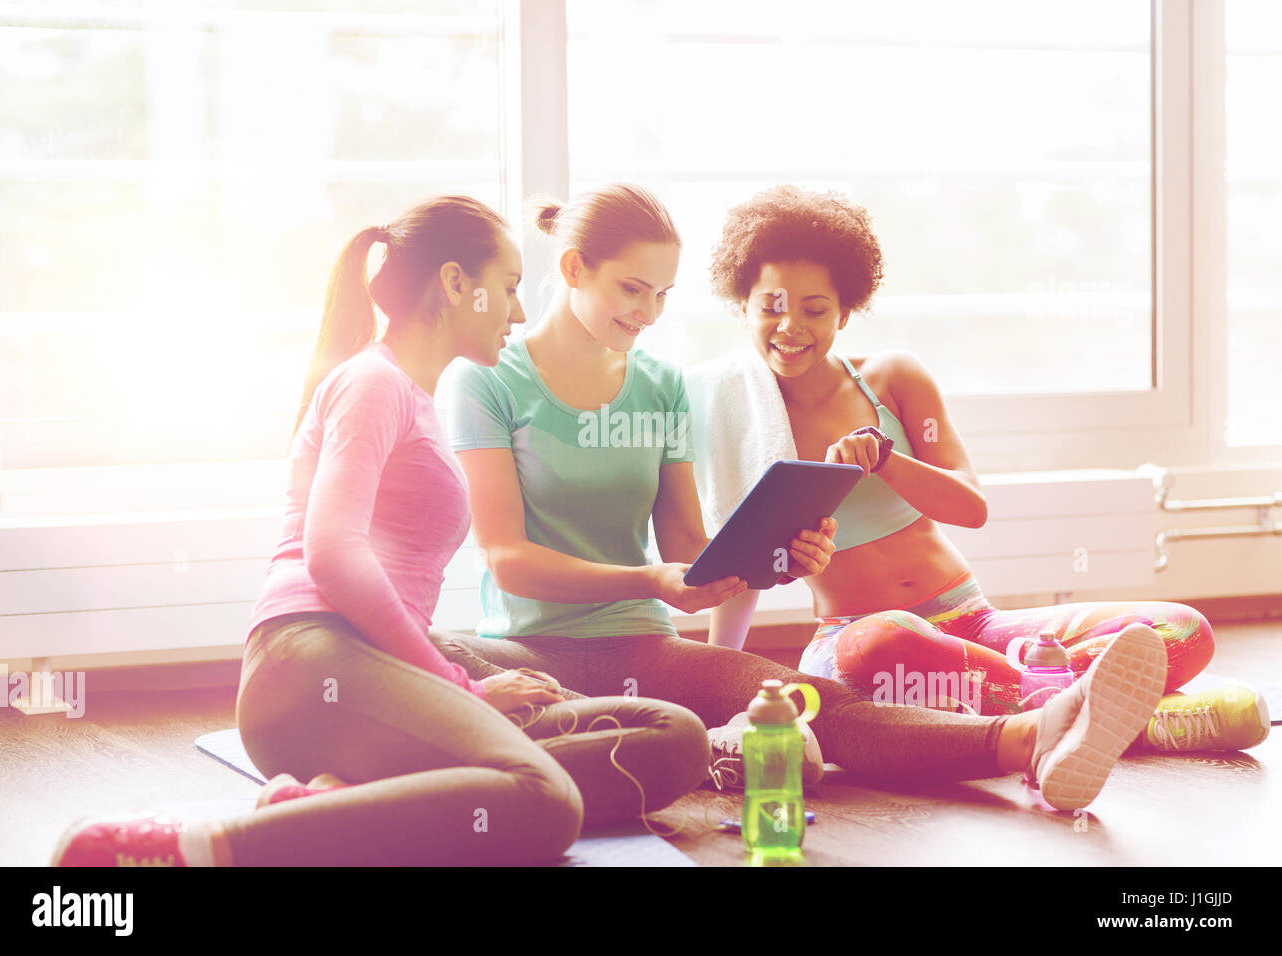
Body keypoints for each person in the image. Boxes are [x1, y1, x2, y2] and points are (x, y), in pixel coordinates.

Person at [431, 181, 1173, 813]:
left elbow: (689, 551)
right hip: (527, 645)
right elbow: (508, 559)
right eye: (632, 289)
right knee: (605, 729)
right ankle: (639, 753)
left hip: (642, 642)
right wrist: (652, 581)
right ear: (572, 270)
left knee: (805, 704)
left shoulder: (659, 384)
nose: (648, 313)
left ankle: (1030, 737)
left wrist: (775, 558)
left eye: (662, 294)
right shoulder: (487, 380)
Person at [51, 195, 709, 868]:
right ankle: (190, 848)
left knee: (672, 735)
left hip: (370, 664)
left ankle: (341, 804)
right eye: (507, 288)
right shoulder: (372, 382)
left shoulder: (413, 395)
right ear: (456, 284)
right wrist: (465, 689)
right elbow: (332, 554)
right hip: (311, 662)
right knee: (545, 798)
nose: (516, 311)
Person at [691, 184, 1269, 753]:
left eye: (814, 309)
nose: (790, 327)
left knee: (1183, 629)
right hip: (859, 642)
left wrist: (887, 460)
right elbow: (737, 563)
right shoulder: (741, 414)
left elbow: (971, 508)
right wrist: (718, 680)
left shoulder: (893, 379)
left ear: (845, 310)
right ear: (744, 304)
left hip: (973, 626)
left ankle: (1064, 716)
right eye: (771, 307)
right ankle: (1130, 719)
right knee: (876, 647)